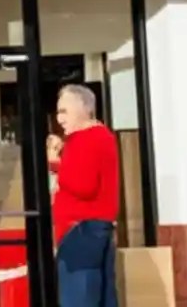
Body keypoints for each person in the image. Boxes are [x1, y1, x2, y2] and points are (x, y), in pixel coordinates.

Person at [47, 84, 119, 307]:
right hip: (97, 230)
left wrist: (53, 162)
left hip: (80, 231)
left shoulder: (83, 138)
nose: (59, 119)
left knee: (78, 298)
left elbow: (83, 184)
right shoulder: (102, 135)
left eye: (63, 111)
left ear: (83, 108)